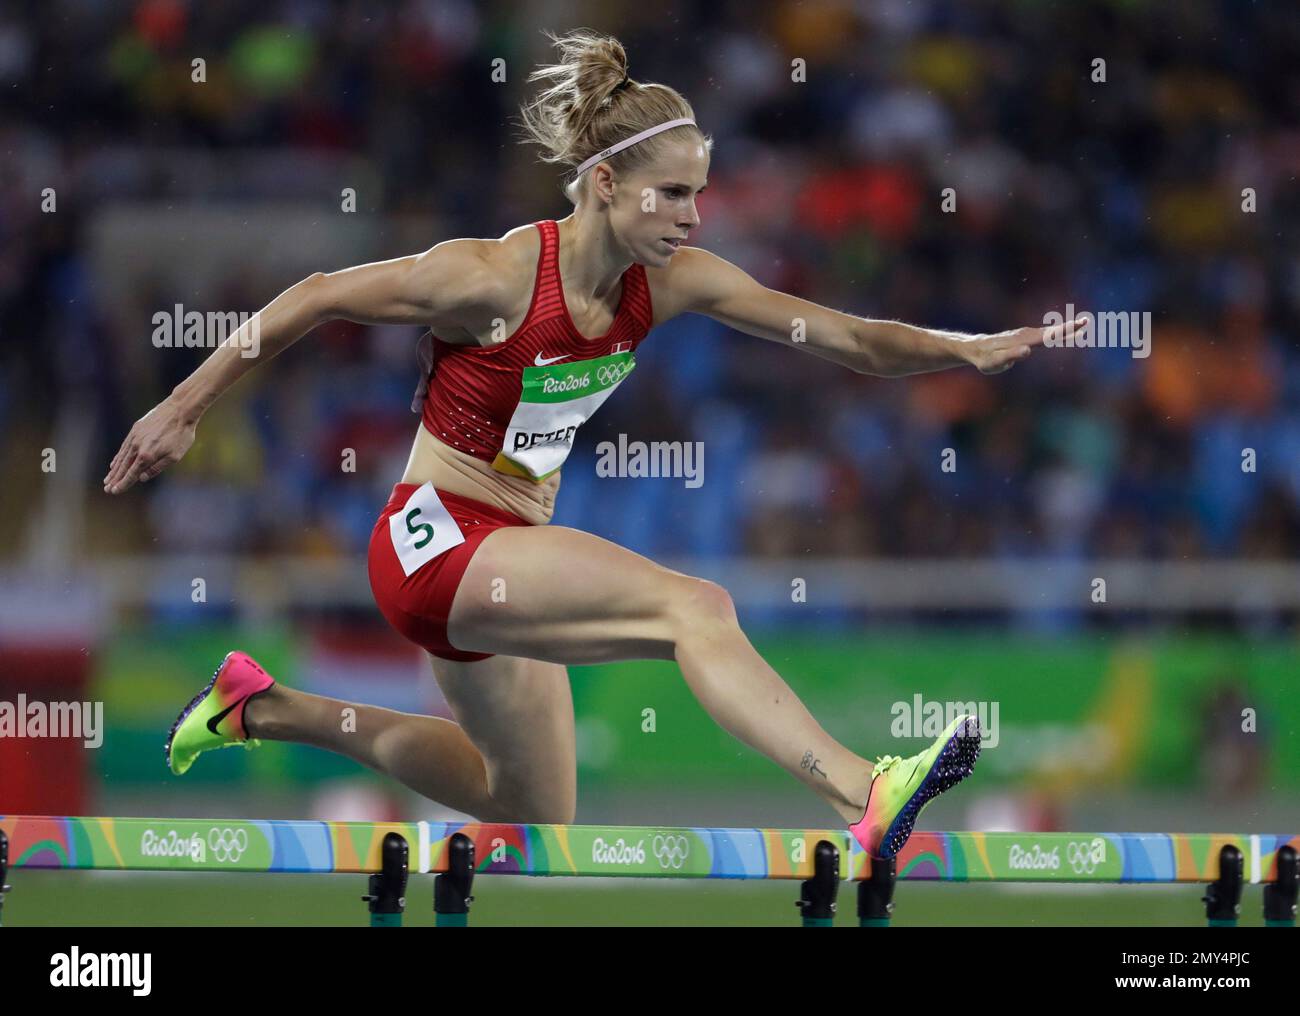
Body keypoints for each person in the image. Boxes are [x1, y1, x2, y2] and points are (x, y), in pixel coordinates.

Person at [103, 30, 1078, 859]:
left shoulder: (676, 279)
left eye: (699, 194)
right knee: (693, 607)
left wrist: (962, 347)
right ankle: (862, 790)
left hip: (505, 559)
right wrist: (183, 406)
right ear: (605, 183)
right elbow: (314, 293)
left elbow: (850, 339)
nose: (692, 217)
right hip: (434, 543)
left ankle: (258, 707)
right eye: (671, 195)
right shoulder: (485, 278)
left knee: (530, 804)